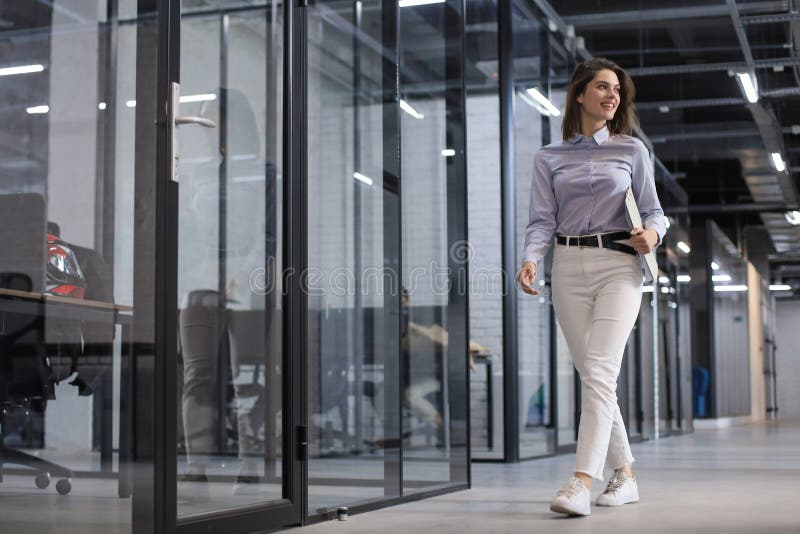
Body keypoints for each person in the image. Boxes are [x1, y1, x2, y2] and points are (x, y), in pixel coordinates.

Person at [516, 57, 666, 517]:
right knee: (594, 377)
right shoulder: (549, 157)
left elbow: (655, 211)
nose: (612, 95)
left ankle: (581, 480)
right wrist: (530, 259)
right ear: (580, 94)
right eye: (602, 87)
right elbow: (542, 220)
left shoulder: (631, 151)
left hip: (620, 266)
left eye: (617, 90)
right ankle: (626, 475)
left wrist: (653, 235)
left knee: (600, 372)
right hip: (567, 267)